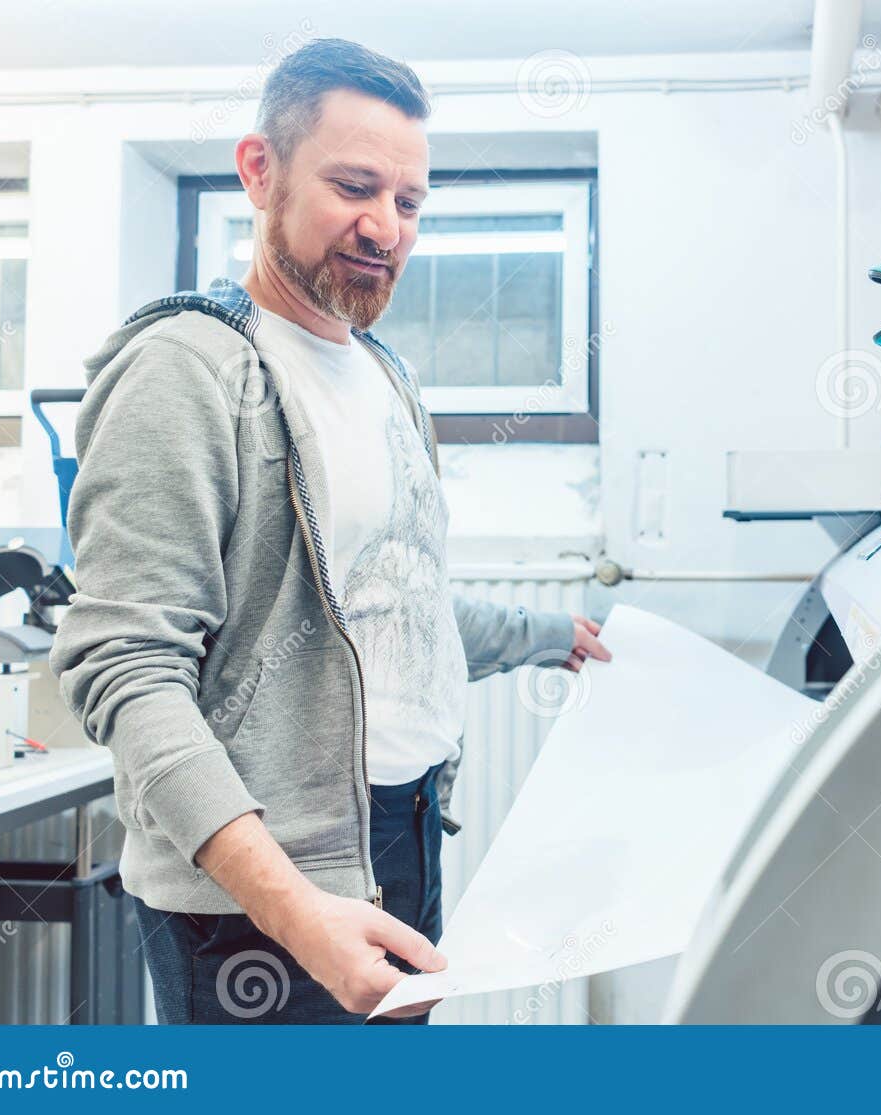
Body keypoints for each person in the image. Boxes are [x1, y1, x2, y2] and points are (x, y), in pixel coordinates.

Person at [52, 37, 610, 1024]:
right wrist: (297, 909)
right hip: (251, 893)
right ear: (259, 171)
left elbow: (393, 609)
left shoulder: (387, 376)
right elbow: (126, 669)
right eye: (354, 186)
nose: (384, 226)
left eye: (407, 202)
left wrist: (549, 635)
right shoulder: (187, 372)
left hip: (399, 839)